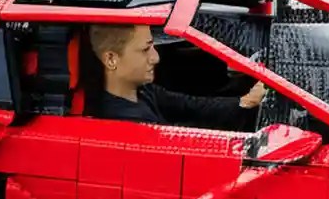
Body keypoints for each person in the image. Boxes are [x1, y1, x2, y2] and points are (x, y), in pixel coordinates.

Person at [83, 23, 266, 130]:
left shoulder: (140, 90)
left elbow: (190, 105)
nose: (155, 58)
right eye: (145, 49)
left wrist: (245, 102)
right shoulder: (130, 123)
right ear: (111, 59)